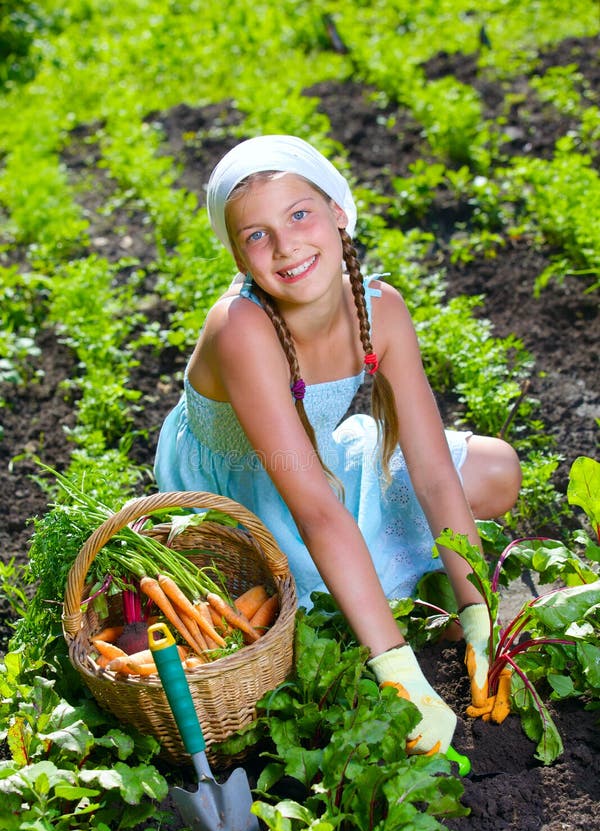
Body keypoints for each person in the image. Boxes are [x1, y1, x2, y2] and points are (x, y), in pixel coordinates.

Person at [154, 135, 522, 756]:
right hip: (244, 491)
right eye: (257, 235)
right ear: (240, 260)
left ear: (339, 213)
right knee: (310, 605)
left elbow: (434, 473)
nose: (286, 245)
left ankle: (386, 576)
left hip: (314, 457)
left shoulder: (381, 309)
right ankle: (366, 594)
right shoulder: (241, 329)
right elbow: (317, 510)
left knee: (495, 471)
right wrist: (399, 671)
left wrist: (479, 614)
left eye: (299, 215)